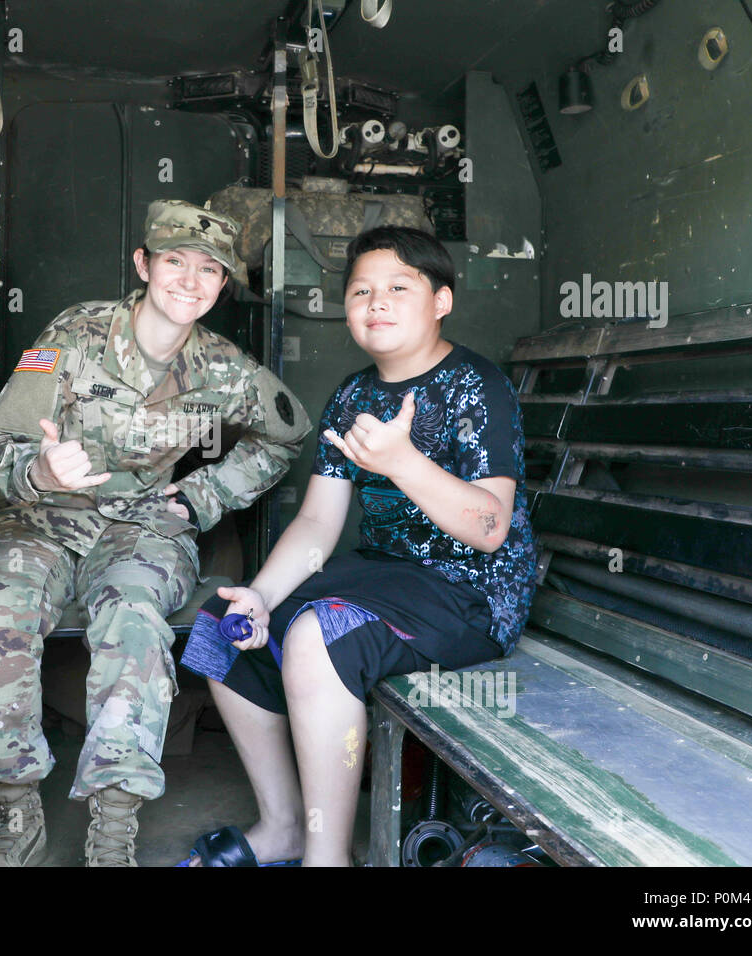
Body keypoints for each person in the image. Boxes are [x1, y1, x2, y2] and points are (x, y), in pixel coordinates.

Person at [0, 199, 312, 867]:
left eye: (210, 270)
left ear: (222, 285)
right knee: (3, 611)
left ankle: (114, 828)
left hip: (141, 526)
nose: (190, 280)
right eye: (175, 261)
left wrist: (204, 496)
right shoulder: (75, 333)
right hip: (36, 520)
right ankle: (16, 815)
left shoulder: (223, 366)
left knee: (136, 619)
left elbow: (290, 433)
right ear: (143, 264)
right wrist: (37, 468)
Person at [181, 224, 538, 867]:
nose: (376, 301)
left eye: (400, 287)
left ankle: (327, 857)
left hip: (472, 592)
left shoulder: (477, 388)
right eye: (361, 291)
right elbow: (319, 523)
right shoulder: (353, 395)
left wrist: (403, 462)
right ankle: (284, 825)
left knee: (323, 636)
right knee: (221, 624)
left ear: (442, 301)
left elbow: (490, 530)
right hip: (385, 576)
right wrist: (260, 595)